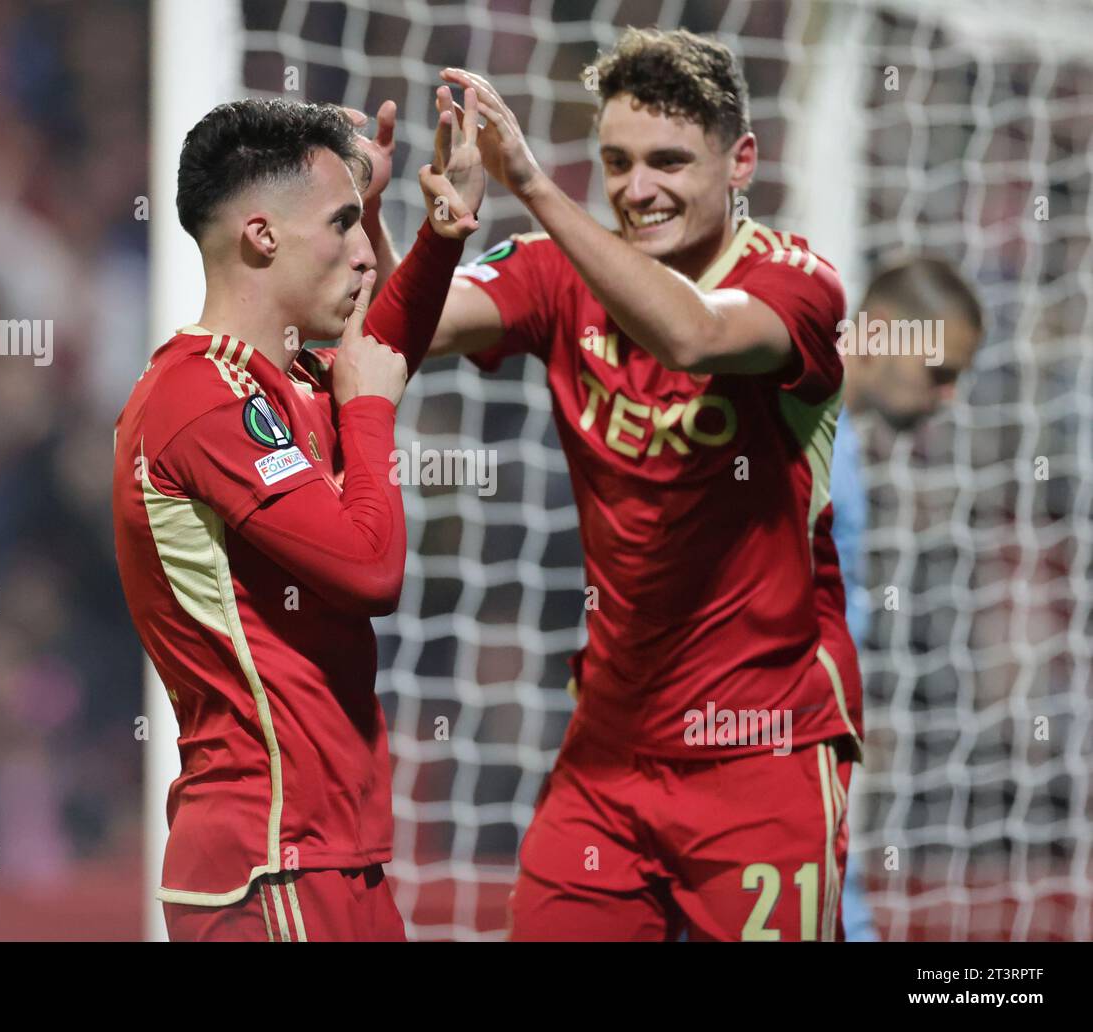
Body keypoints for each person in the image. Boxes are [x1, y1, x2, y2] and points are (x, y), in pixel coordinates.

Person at [361, 27, 861, 940]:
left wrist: (535, 187)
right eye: (618, 162)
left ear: (740, 159)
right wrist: (401, 231)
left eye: (669, 161)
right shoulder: (557, 275)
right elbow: (405, 334)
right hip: (608, 758)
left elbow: (696, 336)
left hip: (763, 750)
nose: (637, 190)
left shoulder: (799, 284)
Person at [112, 94, 483, 941]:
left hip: (324, 857)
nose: (364, 254)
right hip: (268, 861)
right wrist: (373, 416)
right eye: (345, 224)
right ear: (262, 236)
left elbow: (372, 356)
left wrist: (442, 232)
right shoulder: (199, 399)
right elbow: (369, 570)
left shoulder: (271, 384)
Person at [830, 254, 986, 941]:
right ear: (886, 332)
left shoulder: (841, 447)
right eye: (940, 373)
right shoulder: (800, 436)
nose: (947, 395)